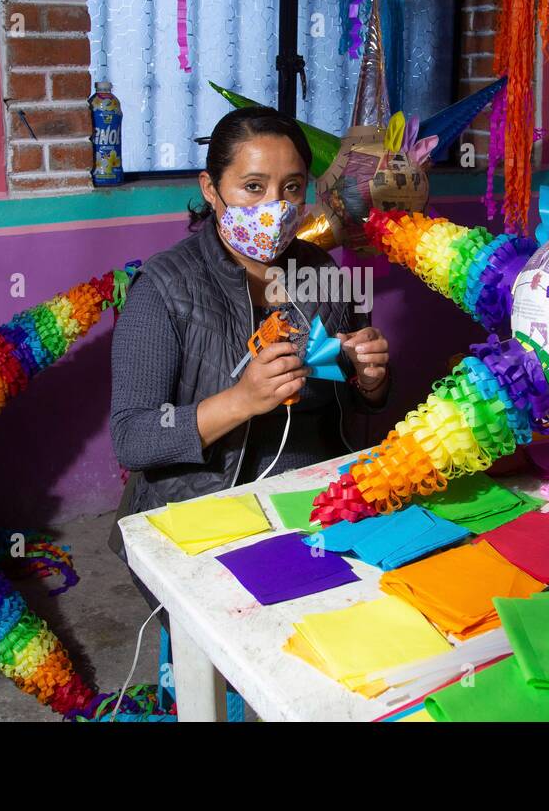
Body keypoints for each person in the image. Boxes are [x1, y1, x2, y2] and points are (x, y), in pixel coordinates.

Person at [108, 106, 392, 556]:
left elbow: (358, 398)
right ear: (211, 189)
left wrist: (371, 379)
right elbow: (133, 439)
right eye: (253, 187)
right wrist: (241, 401)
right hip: (203, 504)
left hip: (317, 493)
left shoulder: (320, 270)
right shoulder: (164, 287)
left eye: (292, 188)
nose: (274, 208)